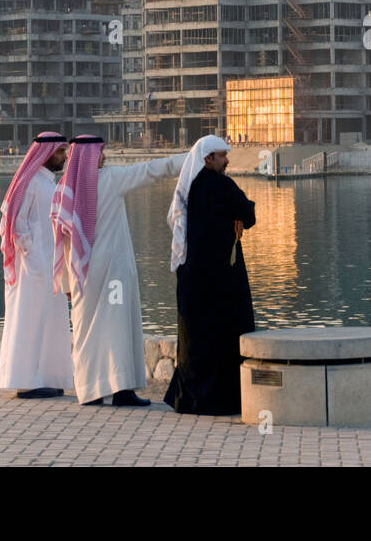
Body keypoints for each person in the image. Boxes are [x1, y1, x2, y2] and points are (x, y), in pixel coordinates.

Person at [51, 135, 188, 407]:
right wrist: (190, 159)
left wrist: (66, 282)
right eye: (101, 152)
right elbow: (150, 171)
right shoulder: (110, 179)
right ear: (91, 155)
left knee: (87, 333)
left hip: (82, 275)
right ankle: (122, 391)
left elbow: (63, 243)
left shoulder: (63, 190)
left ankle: (91, 391)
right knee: (117, 328)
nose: (104, 157)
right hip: (113, 272)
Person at [163, 135, 257, 415]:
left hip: (192, 276)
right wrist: (239, 215)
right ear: (207, 159)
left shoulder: (188, 189)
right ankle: (222, 400)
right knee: (224, 334)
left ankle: (190, 400)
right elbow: (248, 214)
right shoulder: (221, 185)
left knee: (196, 337)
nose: (227, 160)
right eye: (222, 156)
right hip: (223, 279)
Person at [0, 132, 73, 399]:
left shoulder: (47, 182)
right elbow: (14, 221)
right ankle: (26, 382)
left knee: (50, 321)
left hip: (49, 266)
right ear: (47, 153)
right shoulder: (29, 182)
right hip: (32, 268)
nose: (64, 157)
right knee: (28, 321)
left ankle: (46, 377)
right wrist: (31, 254)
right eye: (60, 152)